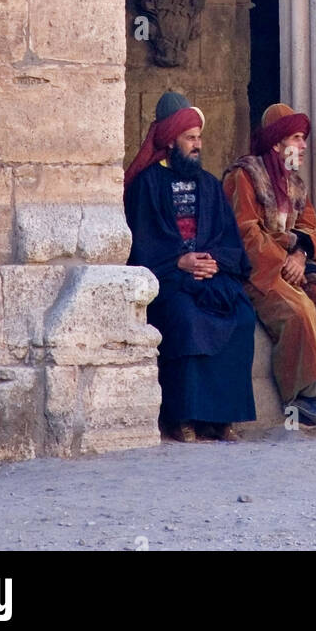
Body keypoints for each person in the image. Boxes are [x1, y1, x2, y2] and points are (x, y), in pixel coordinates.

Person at [123, 91, 256, 443]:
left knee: (241, 316)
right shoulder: (146, 186)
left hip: (209, 279)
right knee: (186, 317)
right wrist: (178, 261)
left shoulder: (210, 185)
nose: (197, 145)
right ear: (170, 141)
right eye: (190, 138)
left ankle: (220, 418)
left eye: (199, 137)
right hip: (169, 280)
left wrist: (214, 262)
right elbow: (141, 244)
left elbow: (230, 241)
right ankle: (183, 417)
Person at [222, 103, 316, 428]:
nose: (303, 146)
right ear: (276, 143)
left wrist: (300, 256)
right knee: (298, 308)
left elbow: (314, 230)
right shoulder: (244, 176)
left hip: (291, 266)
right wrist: (283, 261)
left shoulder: (295, 184)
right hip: (258, 272)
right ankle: (299, 396)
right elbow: (245, 233)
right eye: (297, 138)